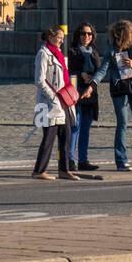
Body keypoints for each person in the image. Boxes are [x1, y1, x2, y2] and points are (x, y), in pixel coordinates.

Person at [91, 19, 132, 171]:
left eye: (120, 37)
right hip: (119, 86)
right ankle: (121, 160)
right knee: (122, 124)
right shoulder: (112, 47)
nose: (118, 40)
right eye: (116, 37)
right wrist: (93, 84)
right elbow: (103, 68)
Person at [32, 26, 77, 181]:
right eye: (59, 38)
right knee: (49, 137)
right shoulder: (43, 54)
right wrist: (53, 97)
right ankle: (39, 170)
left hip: (62, 102)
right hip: (48, 103)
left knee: (66, 135)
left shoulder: (59, 55)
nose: (61, 41)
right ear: (50, 37)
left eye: (63, 38)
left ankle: (64, 170)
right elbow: (39, 80)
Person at [68, 22, 101, 171]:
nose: (86, 36)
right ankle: (70, 159)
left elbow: (99, 71)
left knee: (86, 128)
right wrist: (79, 75)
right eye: (83, 33)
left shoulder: (93, 52)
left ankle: (83, 160)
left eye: (89, 34)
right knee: (75, 126)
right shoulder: (72, 51)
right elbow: (68, 71)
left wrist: (92, 80)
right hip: (76, 93)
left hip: (90, 94)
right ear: (78, 35)